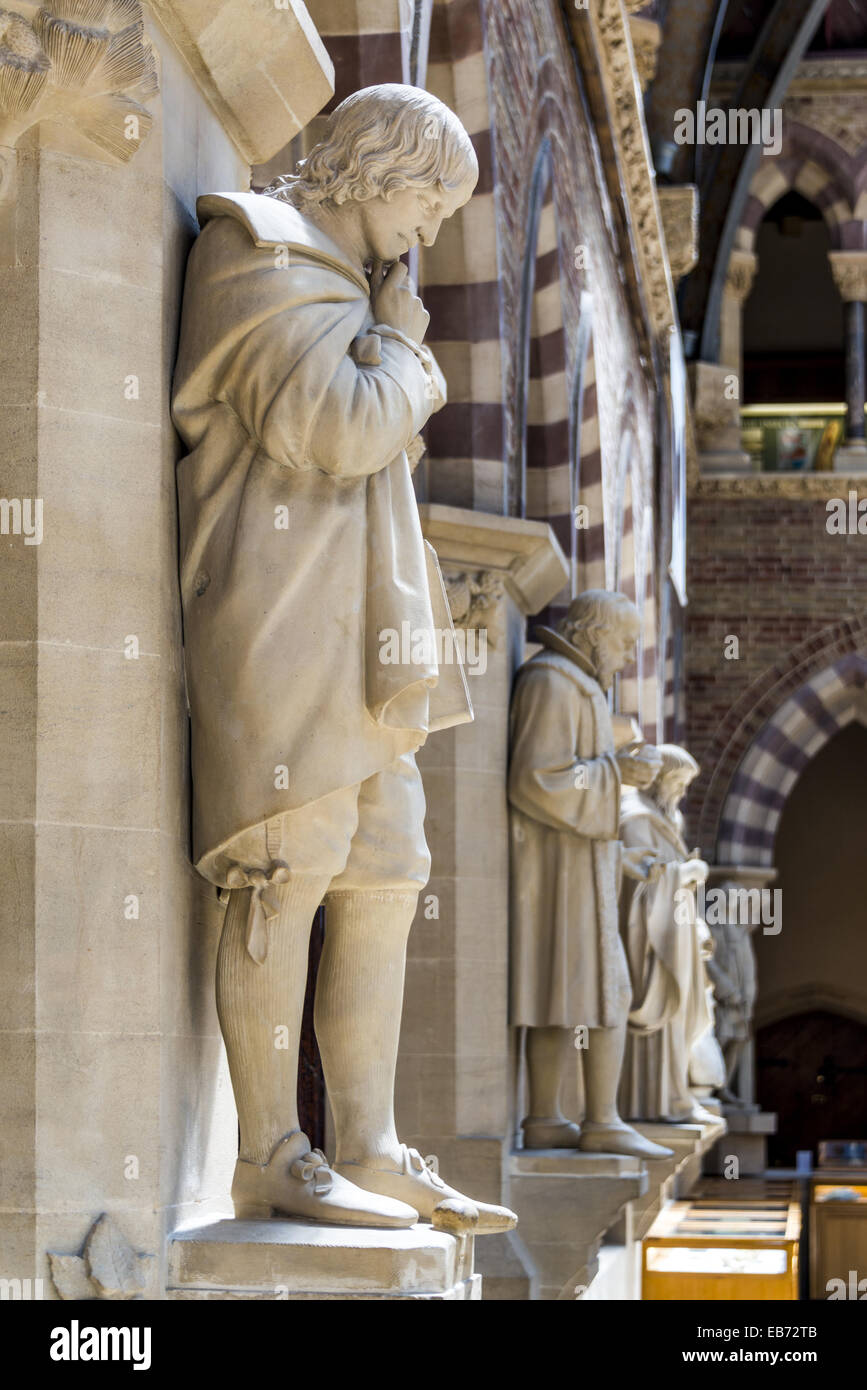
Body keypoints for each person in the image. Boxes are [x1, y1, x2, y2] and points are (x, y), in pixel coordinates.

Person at [172, 83, 515, 1233]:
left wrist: (388, 342)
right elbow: (337, 428)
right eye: (426, 196)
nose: (429, 228)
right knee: (287, 865)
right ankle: (270, 1149)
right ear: (371, 170)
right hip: (281, 619)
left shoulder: (340, 288)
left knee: (389, 866)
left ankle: (365, 1143)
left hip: (359, 631)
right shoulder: (256, 251)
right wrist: (414, 357)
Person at [508, 591, 673, 1159]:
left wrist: (622, 857)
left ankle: (549, 1117)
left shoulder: (578, 686)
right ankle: (599, 1120)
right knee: (598, 990)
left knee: (569, 990)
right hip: (557, 871)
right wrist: (615, 771)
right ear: (592, 633)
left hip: (580, 865)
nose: (628, 657)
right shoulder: (552, 681)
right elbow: (535, 779)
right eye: (625, 642)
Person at [618, 745, 718, 1124]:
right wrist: (685, 874)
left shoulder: (664, 820)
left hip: (675, 940)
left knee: (679, 1018)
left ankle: (676, 1097)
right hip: (650, 948)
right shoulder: (636, 818)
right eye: (677, 781)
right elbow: (635, 887)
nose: (680, 791)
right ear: (659, 779)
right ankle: (653, 1104)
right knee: (661, 1014)